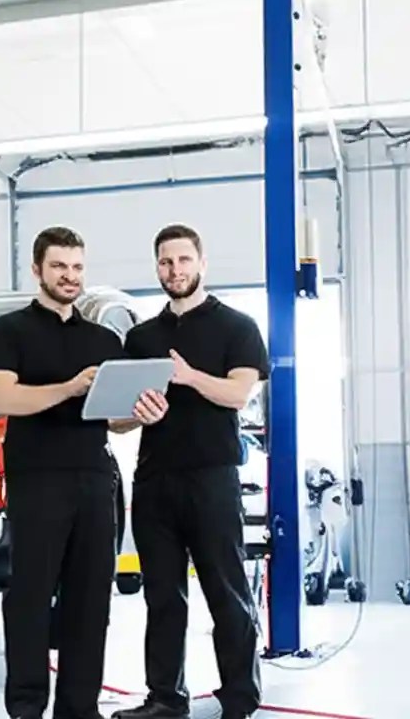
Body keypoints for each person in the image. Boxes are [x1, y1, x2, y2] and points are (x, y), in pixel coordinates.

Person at [0, 226, 168, 719]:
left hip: (94, 479)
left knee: (91, 603)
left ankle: (79, 709)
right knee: (29, 597)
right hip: (36, 479)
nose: (70, 276)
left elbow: (116, 418)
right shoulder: (10, 330)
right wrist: (67, 388)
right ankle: (25, 707)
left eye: (78, 267)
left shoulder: (103, 339)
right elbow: (1, 397)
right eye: (60, 266)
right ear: (38, 270)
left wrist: (141, 413)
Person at [110, 223, 267, 719]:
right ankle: (165, 699)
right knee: (162, 597)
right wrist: (140, 412)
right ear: (156, 267)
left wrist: (190, 377)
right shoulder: (140, 337)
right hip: (155, 481)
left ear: (202, 264)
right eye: (165, 262)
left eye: (182, 260)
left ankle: (240, 698)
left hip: (212, 478)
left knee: (227, 592)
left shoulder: (237, 327)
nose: (174, 270)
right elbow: (116, 419)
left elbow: (239, 393)